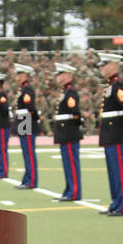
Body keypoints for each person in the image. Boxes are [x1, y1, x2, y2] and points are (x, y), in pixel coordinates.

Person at [96, 53, 123, 215]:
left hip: (116, 134)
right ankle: (116, 202)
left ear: (113, 66)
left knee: (119, 171)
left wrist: (120, 126)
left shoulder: (118, 86)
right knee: (113, 172)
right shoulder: (110, 86)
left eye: (104, 65)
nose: (101, 68)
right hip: (110, 134)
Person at [52, 62, 83, 202]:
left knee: (71, 164)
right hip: (64, 133)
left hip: (69, 132)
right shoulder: (65, 92)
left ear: (67, 75)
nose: (57, 77)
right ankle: (69, 189)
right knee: (67, 164)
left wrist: (72, 128)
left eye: (60, 74)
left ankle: (74, 192)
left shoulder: (70, 93)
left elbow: (76, 113)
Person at [14, 63, 39, 189]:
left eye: (19, 74)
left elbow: (31, 109)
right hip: (23, 121)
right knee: (25, 152)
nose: (16, 77)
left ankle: (32, 181)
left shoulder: (27, 90)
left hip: (26, 121)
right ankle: (27, 178)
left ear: (24, 75)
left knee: (29, 152)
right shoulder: (23, 90)